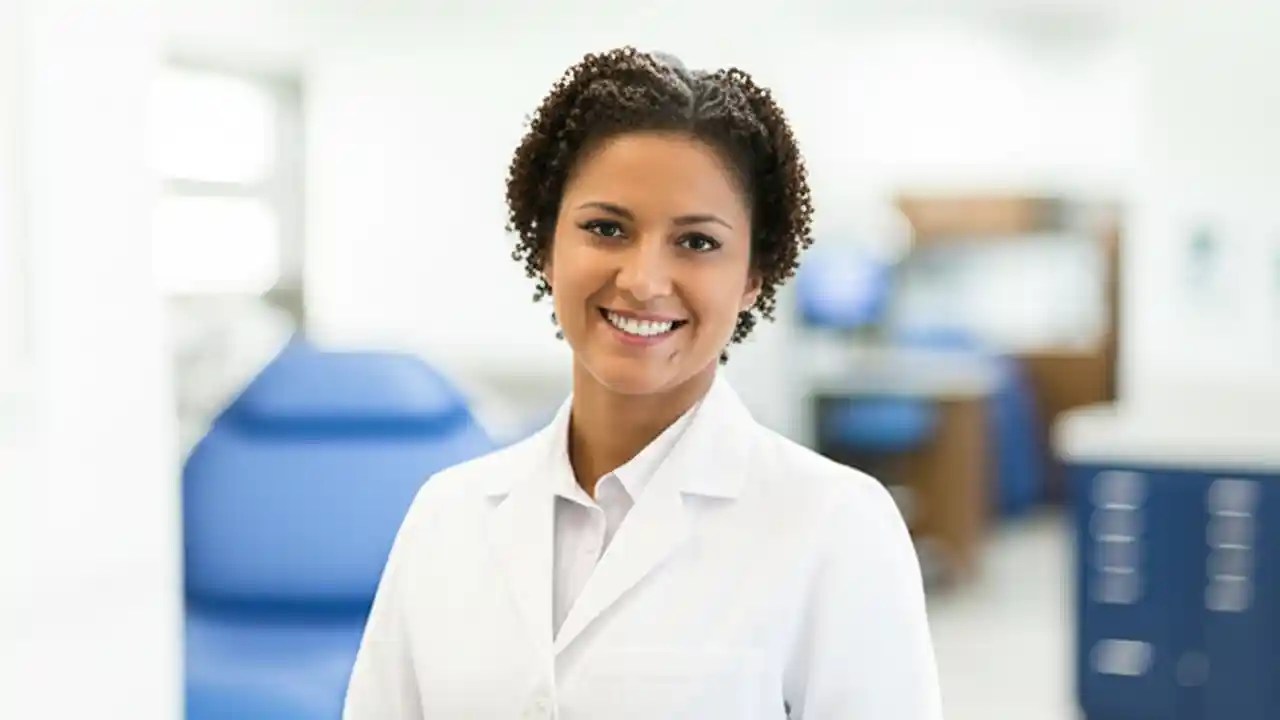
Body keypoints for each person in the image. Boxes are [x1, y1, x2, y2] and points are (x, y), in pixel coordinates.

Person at [344, 47, 943, 719]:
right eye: (606, 228)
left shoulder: (837, 526)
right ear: (546, 245)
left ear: (754, 276)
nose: (644, 280)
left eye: (697, 242)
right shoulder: (445, 516)